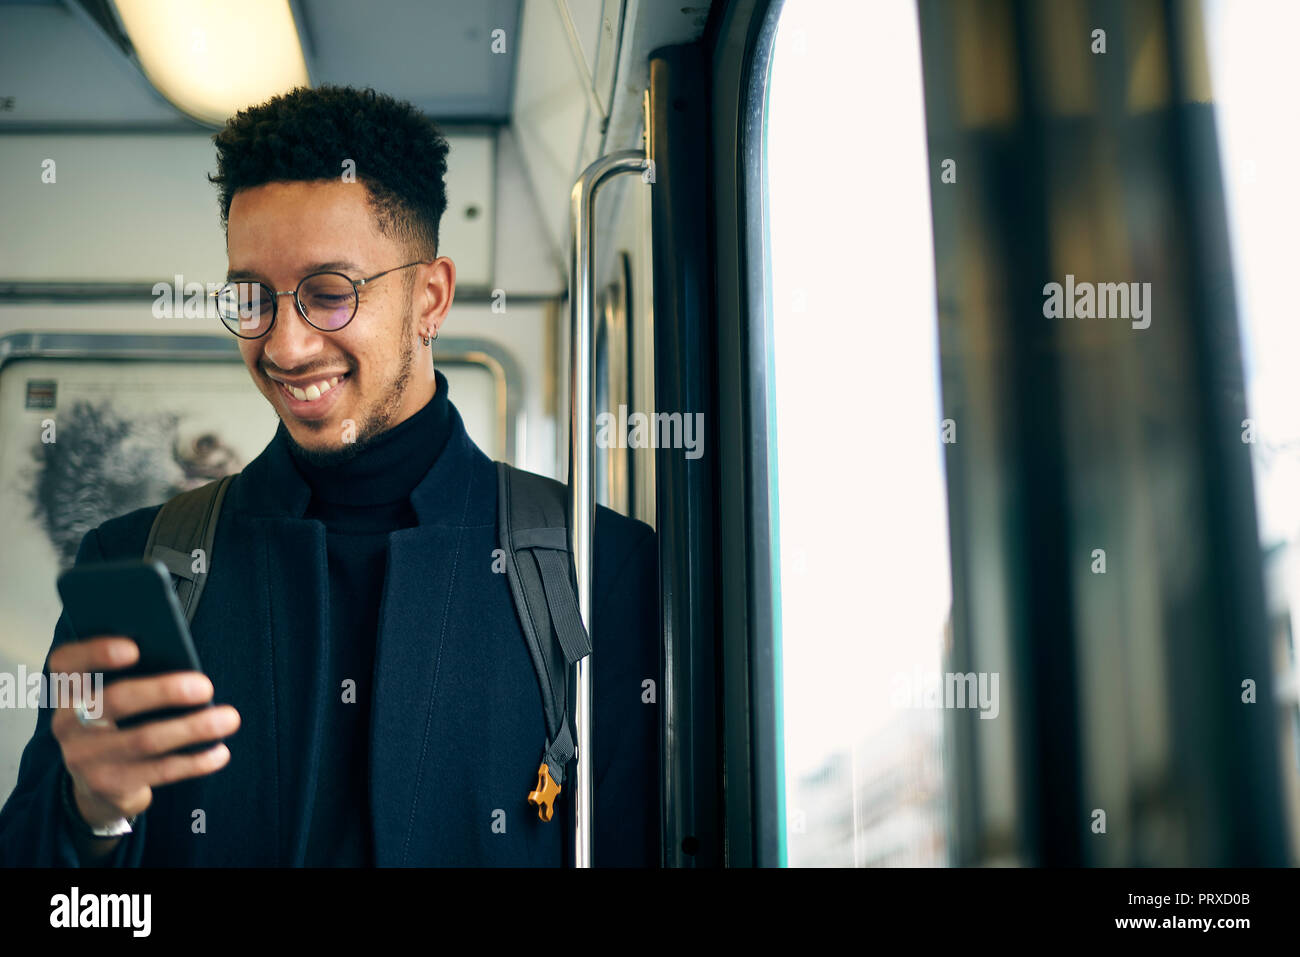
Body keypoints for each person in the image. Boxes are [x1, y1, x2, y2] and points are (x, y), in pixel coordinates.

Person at [0, 85, 660, 867]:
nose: (284, 346)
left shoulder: (597, 570)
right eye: (252, 297)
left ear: (431, 297)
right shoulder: (133, 563)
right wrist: (92, 815)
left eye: (329, 294)